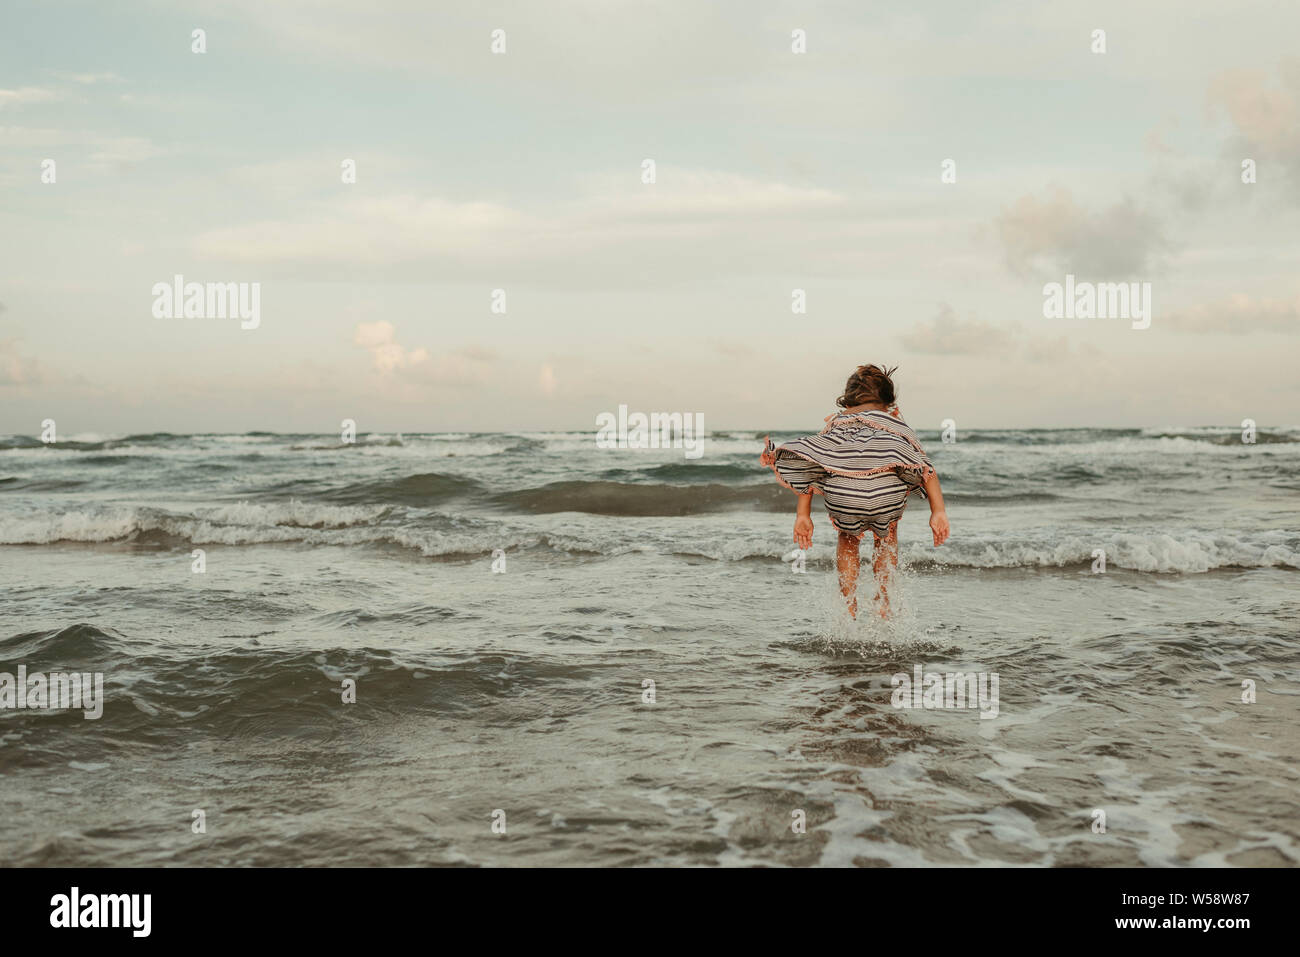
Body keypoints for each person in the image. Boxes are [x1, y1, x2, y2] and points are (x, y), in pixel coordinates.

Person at [760, 364, 950, 618]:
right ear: (888, 401)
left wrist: (803, 516)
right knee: (887, 533)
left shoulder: (837, 424)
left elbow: (816, 463)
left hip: (844, 497)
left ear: (847, 400)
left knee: (848, 538)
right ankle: (884, 601)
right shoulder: (895, 424)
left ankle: (849, 605)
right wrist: (937, 511)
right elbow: (925, 468)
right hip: (886, 496)